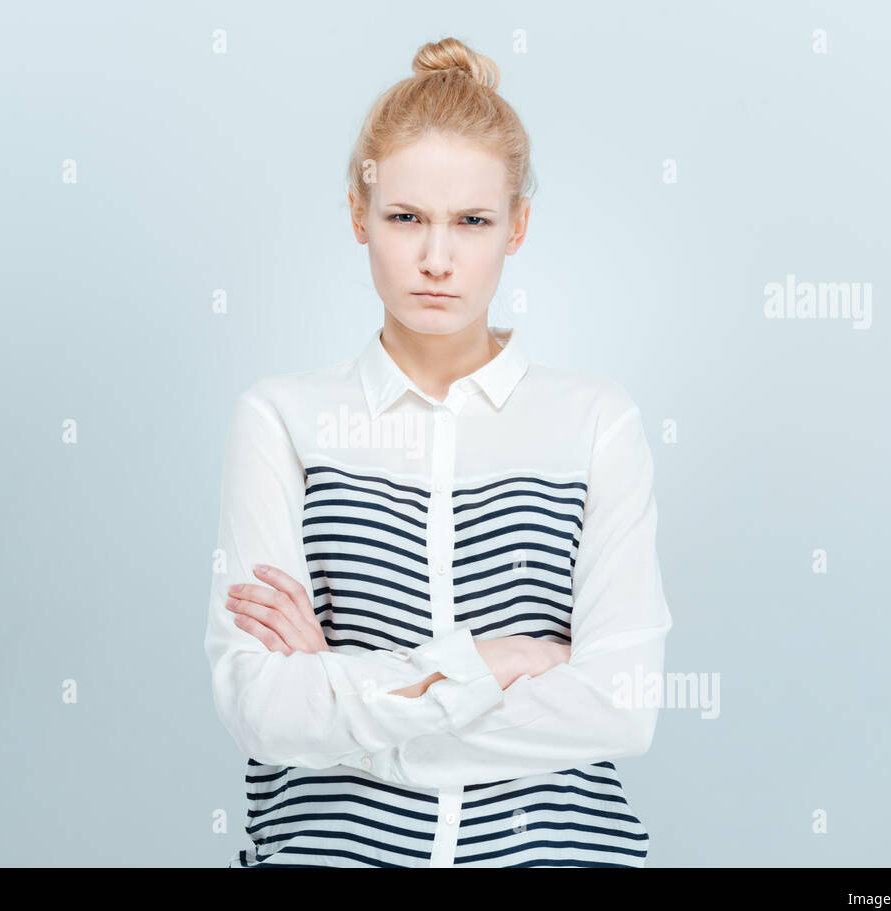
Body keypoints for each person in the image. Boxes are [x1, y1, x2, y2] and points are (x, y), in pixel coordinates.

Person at [204, 36, 673, 867]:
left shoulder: (596, 420)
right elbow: (263, 709)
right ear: (359, 213)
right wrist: (499, 662)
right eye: (406, 217)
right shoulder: (281, 418)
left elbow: (619, 707)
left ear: (516, 227)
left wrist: (352, 703)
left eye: (472, 222)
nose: (436, 259)